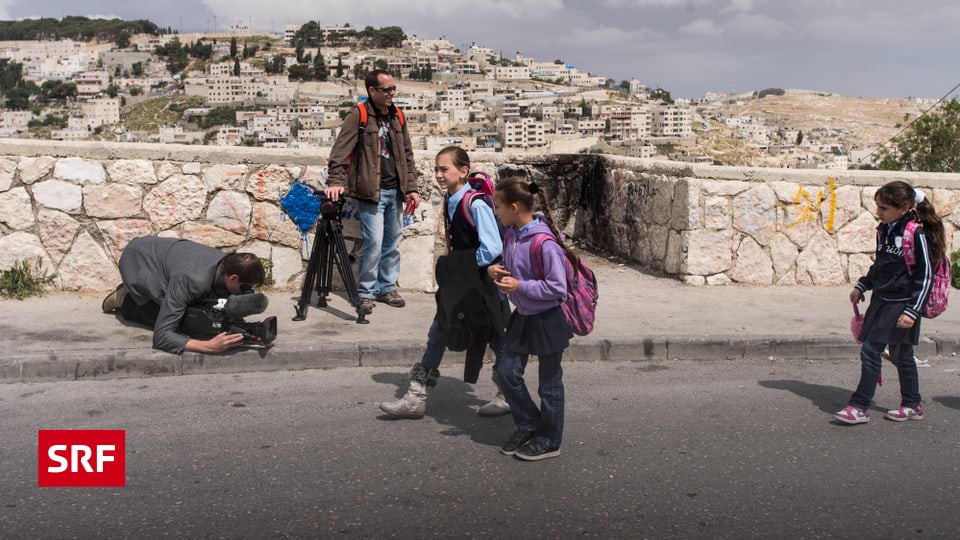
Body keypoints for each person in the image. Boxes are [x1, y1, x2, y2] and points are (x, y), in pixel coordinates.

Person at [378, 146, 510, 418]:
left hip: (481, 286)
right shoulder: (452, 200)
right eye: (436, 169)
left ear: (463, 171)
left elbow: (493, 247)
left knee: (497, 339)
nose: (438, 174)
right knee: (438, 333)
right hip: (462, 286)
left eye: (444, 169)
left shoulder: (473, 203)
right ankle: (416, 396)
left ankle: (508, 393)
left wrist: (463, 267)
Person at [834, 181, 946, 424]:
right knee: (901, 355)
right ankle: (913, 404)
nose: (879, 212)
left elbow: (925, 276)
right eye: (878, 207)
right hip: (881, 302)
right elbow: (881, 265)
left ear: (904, 208)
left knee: (871, 351)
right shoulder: (884, 230)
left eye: (884, 208)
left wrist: (912, 311)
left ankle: (860, 406)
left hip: (901, 306)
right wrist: (863, 285)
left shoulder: (915, 234)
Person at [488, 177, 573, 461]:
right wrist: (497, 271)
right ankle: (529, 423)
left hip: (548, 318)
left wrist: (520, 286)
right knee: (507, 373)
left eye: (497, 206)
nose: (495, 211)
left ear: (514, 207)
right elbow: (515, 267)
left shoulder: (544, 242)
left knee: (549, 384)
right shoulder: (512, 233)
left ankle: (550, 440)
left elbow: (558, 288)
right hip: (523, 315)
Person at [324, 69, 421, 314]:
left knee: (392, 243)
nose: (392, 93)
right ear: (372, 91)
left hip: (395, 192)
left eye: (393, 88)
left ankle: (387, 288)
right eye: (387, 89)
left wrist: (411, 187)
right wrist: (335, 180)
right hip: (371, 193)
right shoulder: (359, 115)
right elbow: (339, 153)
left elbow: (407, 155)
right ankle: (366, 291)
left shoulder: (398, 115)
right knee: (374, 243)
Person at [101, 236, 266, 355]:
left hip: (168, 260)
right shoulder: (192, 280)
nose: (246, 293)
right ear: (233, 278)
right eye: (244, 288)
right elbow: (162, 336)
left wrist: (243, 328)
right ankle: (125, 297)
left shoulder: (226, 266)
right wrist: (208, 346)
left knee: (205, 314)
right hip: (138, 262)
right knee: (183, 323)